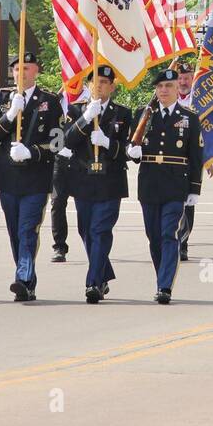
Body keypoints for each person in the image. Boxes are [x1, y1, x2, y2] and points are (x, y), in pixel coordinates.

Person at [0, 52, 63, 301]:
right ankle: (28, 280)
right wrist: (9, 116)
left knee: (27, 230)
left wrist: (30, 152)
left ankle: (22, 278)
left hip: (35, 178)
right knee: (14, 232)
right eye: (17, 69)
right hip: (8, 177)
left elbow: (58, 141)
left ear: (36, 71)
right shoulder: (2, 98)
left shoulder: (49, 101)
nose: (21, 73)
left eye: (27, 68)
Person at [127, 68, 203, 304]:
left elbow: (196, 155)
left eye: (168, 87)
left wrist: (194, 188)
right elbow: (133, 147)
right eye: (159, 87)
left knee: (168, 233)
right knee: (154, 236)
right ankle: (163, 274)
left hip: (175, 183)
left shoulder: (188, 117)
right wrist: (133, 153)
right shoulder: (143, 115)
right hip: (150, 182)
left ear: (175, 90)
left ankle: (165, 285)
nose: (163, 90)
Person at [62, 65, 132, 304]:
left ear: (112, 86)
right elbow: (68, 141)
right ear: (88, 86)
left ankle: (93, 282)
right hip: (83, 180)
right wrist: (86, 118)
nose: (98, 86)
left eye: (104, 82)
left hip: (110, 181)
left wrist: (106, 143)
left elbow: (128, 152)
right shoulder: (76, 110)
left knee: (100, 230)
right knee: (85, 230)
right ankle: (103, 273)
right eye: (94, 82)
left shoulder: (123, 114)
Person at [49, 82, 90, 263]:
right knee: (57, 203)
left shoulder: (91, 100)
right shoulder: (55, 100)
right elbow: (52, 128)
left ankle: (91, 242)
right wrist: (57, 148)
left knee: (85, 205)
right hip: (60, 159)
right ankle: (59, 246)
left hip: (82, 160)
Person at [174, 61, 197, 261]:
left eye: (186, 78)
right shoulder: (167, 97)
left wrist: (208, 157)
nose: (183, 81)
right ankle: (169, 239)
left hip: (190, 159)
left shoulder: (199, 99)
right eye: (179, 78)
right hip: (170, 158)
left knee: (188, 202)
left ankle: (183, 243)